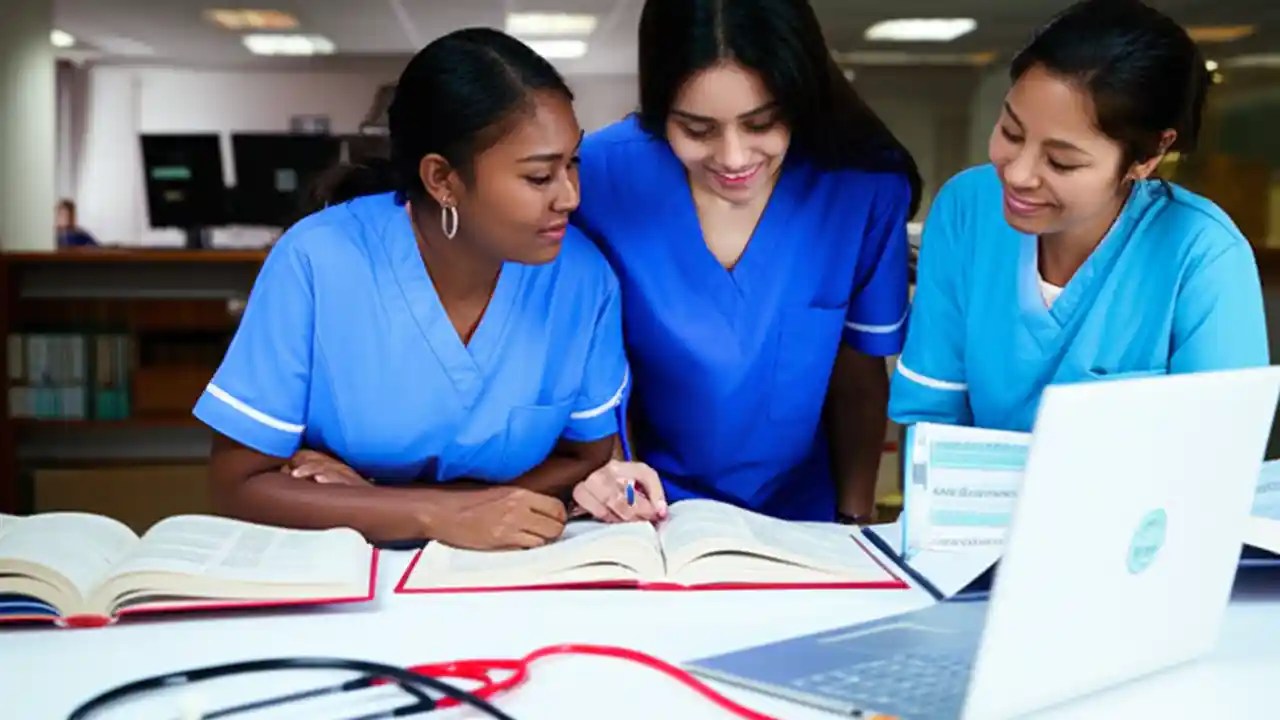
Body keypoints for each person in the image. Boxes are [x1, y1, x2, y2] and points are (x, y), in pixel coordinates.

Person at [193, 28, 660, 550]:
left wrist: (392, 500)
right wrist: (435, 513)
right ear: (442, 179)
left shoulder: (581, 279)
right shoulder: (317, 261)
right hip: (342, 579)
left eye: (572, 163)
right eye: (538, 177)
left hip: (508, 569)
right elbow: (238, 485)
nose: (570, 197)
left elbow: (587, 456)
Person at [569, 0, 923, 525]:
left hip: (803, 516)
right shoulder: (596, 179)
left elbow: (859, 375)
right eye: (697, 129)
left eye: (762, 123)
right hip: (649, 511)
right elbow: (591, 376)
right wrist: (625, 510)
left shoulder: (863, 185)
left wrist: (854, 520)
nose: (734, 158)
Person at [888, 0, 1269, 433]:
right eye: (1011, 133)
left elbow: (1216, 458)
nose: (1018, 173)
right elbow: (932, 423)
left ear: (1150, 155)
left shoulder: (1203, 253)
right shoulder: (968, 209)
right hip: (974, 500)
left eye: (1062, 162)